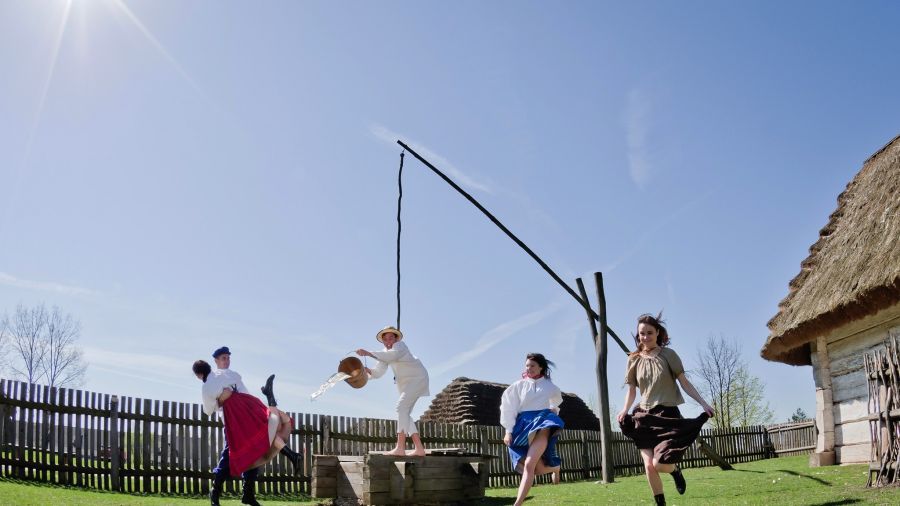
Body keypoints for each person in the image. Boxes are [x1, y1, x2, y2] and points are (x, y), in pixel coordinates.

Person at [616, 313, 715, 506]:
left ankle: (675, 471)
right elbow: (631, 391)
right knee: (648, 467)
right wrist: (624, 409)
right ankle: (660, 503)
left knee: (660, 464)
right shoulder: (633, 359)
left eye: (649, 333)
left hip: (667, 415)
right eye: (641, 334)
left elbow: (684, 383)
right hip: (644, 417)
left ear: (658, 333)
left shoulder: (669, 355)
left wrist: (703, 403)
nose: (645, 337)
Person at [195, 347, 301, 506]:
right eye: (223, 358)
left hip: (246, 419)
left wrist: (256, 410)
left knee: (256, 450)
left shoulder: (233, 376)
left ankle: (248, 494)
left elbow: (245, 395)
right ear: (216, 361)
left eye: (228, 357)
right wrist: (221, 400)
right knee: (229, 459)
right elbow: (210, 409)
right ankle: (215, 491)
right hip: (233, 425)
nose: (227, 360)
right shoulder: (213, 380)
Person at [500, 352, 564, 506]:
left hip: (543, 423)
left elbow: (556, 401)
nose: (529, 368)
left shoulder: (551, 387)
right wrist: (508, 431)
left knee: (529, 464)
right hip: (522, 426)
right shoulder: (517, 386)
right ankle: (555, 468)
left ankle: (517, 504)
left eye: (533, 365)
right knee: (537, 470)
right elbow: (508, 408)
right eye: (527, 365)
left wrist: (553, 410)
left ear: (541, 367)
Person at [356, 326, 430, 457]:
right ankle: (419, 449)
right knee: (405, 412)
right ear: (382, 341)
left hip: (417, 378)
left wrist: (368, 353)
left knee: (401, 408)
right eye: (385, 339)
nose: (388, 341)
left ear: (396, 338)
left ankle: (400, 448)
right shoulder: (384, 354)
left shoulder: (400, 346)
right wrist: (368, 371)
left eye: (391, 337)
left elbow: (392, 355)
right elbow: (378, 372)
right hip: (406, 384)